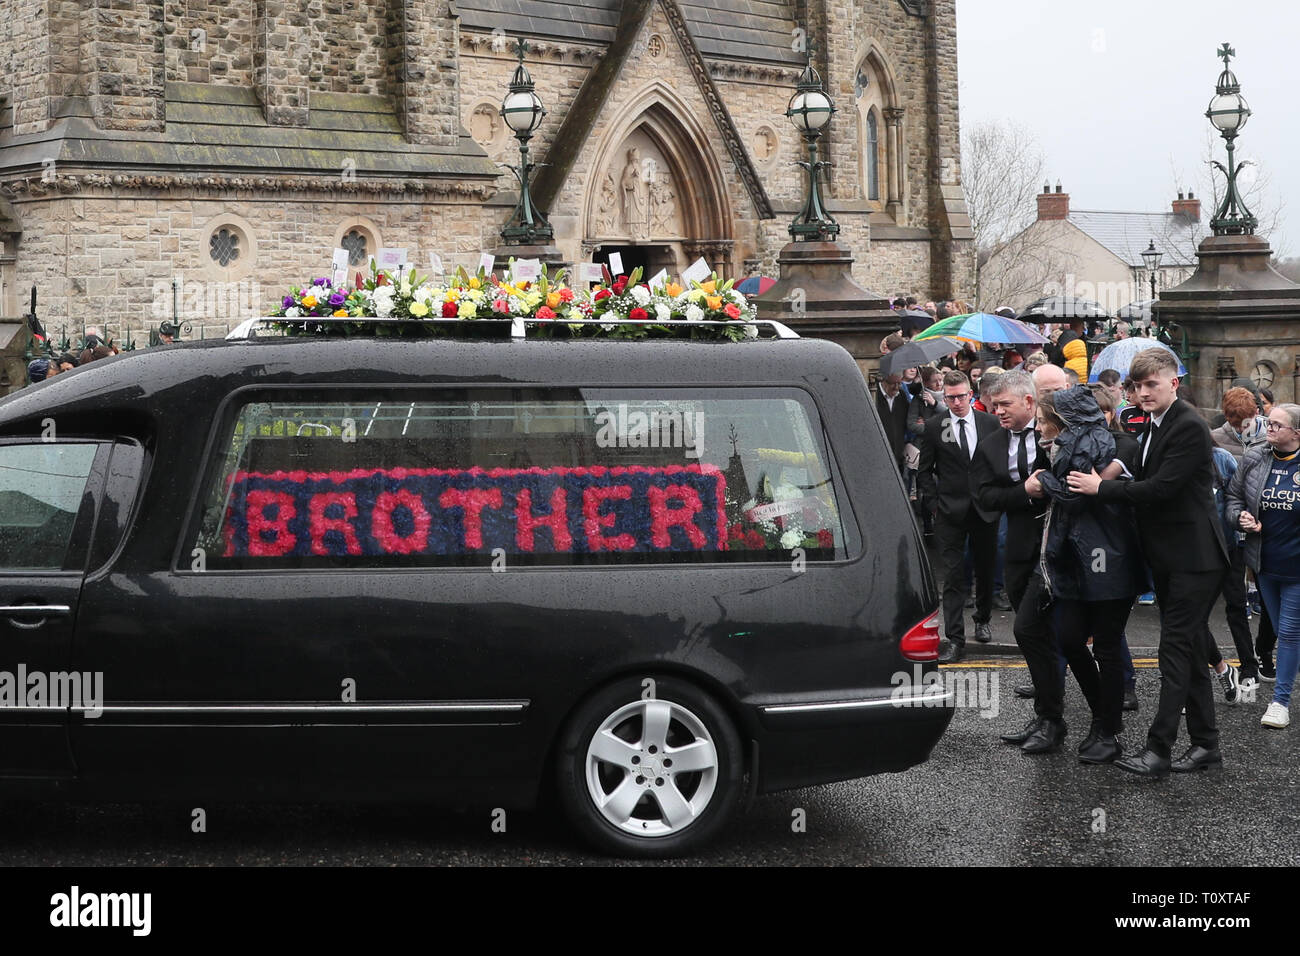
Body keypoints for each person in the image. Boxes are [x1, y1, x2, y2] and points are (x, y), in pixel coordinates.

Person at [1068, 348, 1230, 778]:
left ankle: (1159, 749)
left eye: (1151, 384)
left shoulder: (1188, 425)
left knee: (1174, 650)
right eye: (1137, 386)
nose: (1143, 393)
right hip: (1171, 556)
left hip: (1195, 558)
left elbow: (1160, 488)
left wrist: (1100, 489)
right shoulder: (1154, 423)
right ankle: (1206, 745)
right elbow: (1141, 473)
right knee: (1190, 650)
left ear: (1173, 383)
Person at [1035, 388, 1142, 761]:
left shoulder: (1093, 443)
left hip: (1107, 557)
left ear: (1061, 421)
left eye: (1043, 421)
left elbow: (1075, 495)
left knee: (1107, 646)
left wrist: (1044, 481)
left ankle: (1108, 731)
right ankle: (1103, 717)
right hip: (1077, 558)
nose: (1038, 428)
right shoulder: (1069, 444)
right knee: (1069, 638)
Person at [972, 370, 1058, 751]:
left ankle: (1066, 720)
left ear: (1028, 401)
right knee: (1033, 635)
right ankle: (1047, 717)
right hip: (1019, 548)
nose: (998, 412)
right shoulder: (991, 444)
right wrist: (1023, 490)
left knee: (1034, 631)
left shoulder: (1053, 434)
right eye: (994, 406)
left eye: (1005, 405)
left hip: (1058, 547)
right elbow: (984, 496)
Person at [1227, 403, 1300, 729]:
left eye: (1276, 425)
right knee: (1286, 632)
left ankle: (1280, 702)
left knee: (1289, 633)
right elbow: (1233, 498)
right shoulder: (1255, 457)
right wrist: (1241, 518)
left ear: (1296, 433)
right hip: (1264, 564)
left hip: (1297, 567)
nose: (1267, 428)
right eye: (1267, 423)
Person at [919, 370, 1000, 662]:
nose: (956, 403)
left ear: (971, 394)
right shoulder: (935, 426)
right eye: (950, 398)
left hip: (985, 509)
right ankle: (954, 639)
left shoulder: (990, 423)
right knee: (953, 576)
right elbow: (924, 471)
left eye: (961, 397)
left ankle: (983, 618)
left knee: (985, 569)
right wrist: (934, 505)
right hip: (949, 512)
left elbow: (1000, 462)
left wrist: (997, 496)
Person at [1212, 387, 1268, 460]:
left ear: (1257, 412)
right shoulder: (1215, 439)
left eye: (1246, 425)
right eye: (1236, 425)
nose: (1242, 430)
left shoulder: (1272, 438)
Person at [875, 372, 910, 475]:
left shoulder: (902, 396)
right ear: (883, 381)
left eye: (899, 383)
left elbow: (908, 420)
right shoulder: (874, 395)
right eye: (893, 383)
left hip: (898, 456)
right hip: (879, 456)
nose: (896, 387)